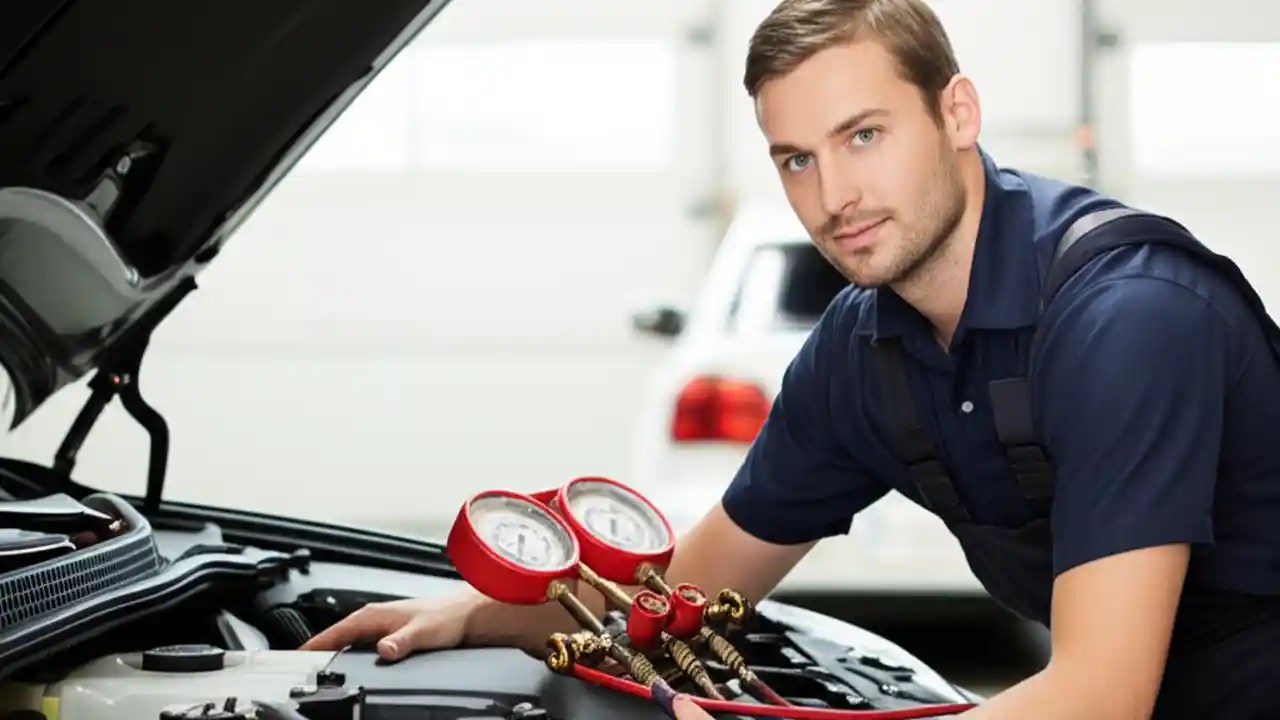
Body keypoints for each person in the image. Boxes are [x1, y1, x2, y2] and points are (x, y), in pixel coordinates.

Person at [304, 1, 1280, 717]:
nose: (833, 195)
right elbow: (685, 592)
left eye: (863, 136)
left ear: (957, 114)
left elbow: (1099, 696)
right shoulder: (860, 354)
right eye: (795, 159)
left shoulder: (1125, 314)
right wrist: (471, 617)